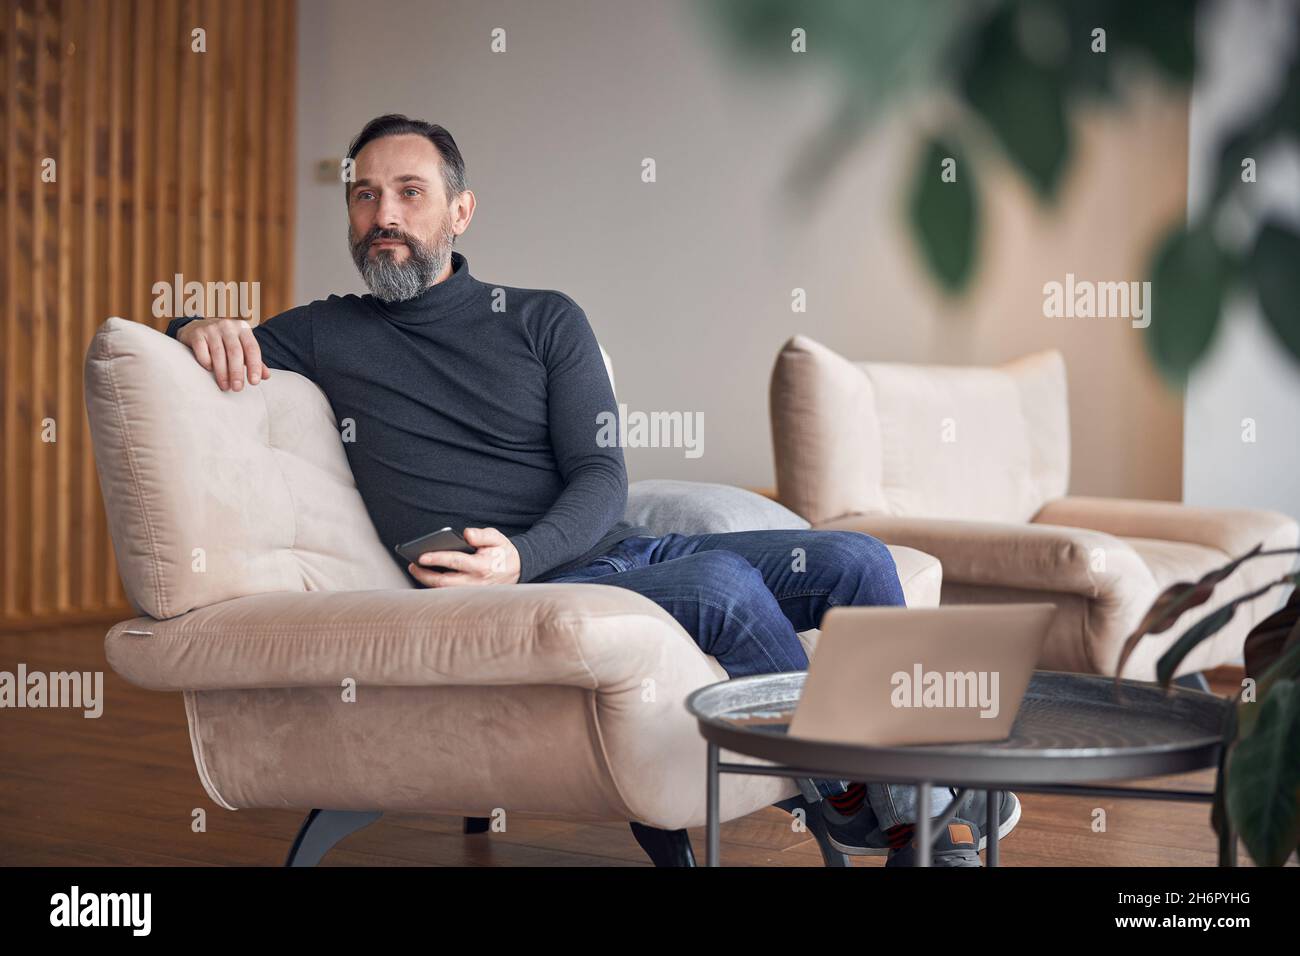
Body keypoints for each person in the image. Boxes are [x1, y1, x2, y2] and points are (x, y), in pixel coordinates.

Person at [166, 113, 1018, 866]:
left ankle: (905, 814)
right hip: (514, 593)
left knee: (859, 561)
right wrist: (192, 325)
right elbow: (165, 343)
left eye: (409, 192)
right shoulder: (325, 331)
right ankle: (880, 808)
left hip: (601, 554)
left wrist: (525, 549)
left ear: (460, 212)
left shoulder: (543, 320)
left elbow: (602, 479)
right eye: (363, 196)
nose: (384, 216)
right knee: (724, 589)